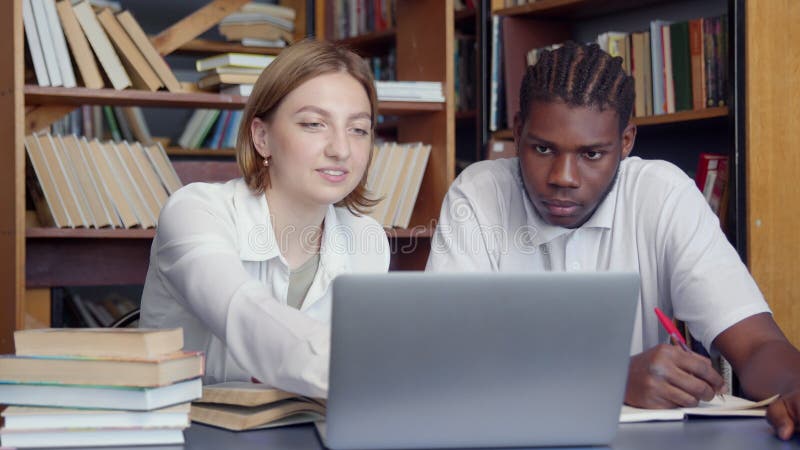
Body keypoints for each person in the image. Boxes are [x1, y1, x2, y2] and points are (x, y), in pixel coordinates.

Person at [426, 41, 800, 439]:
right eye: (542, 148)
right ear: (517, 131)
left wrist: (794, 388)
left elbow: (758, 343)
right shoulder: (479, 194)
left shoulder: (663, 194)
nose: (563, 177)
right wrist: (610, 379)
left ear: (625, 143)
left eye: (591, 155)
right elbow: (447, 365)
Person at [140, 40, 390, 398]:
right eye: (314, 124)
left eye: (358, 129)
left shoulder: (368, 240)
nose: (341, 149)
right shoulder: (195, 211)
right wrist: (379, 373)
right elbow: (244, 314)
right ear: (262, 137)